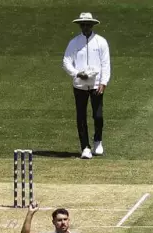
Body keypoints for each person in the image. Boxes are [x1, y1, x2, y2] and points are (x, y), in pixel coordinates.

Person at [62, 12, 111, 160]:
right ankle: (85, 147)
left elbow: (105, 64)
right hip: (80, 85)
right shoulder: (74, 42)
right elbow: (66, 62)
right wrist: (77, 73)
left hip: (96, 84)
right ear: (80, 26)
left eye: (88, 24)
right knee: (81, 116)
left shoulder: (101, 42)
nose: (85, 27)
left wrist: (104, 82)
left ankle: (98, 140)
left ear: (92, 25)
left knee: (98, 115)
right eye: (83, 24)